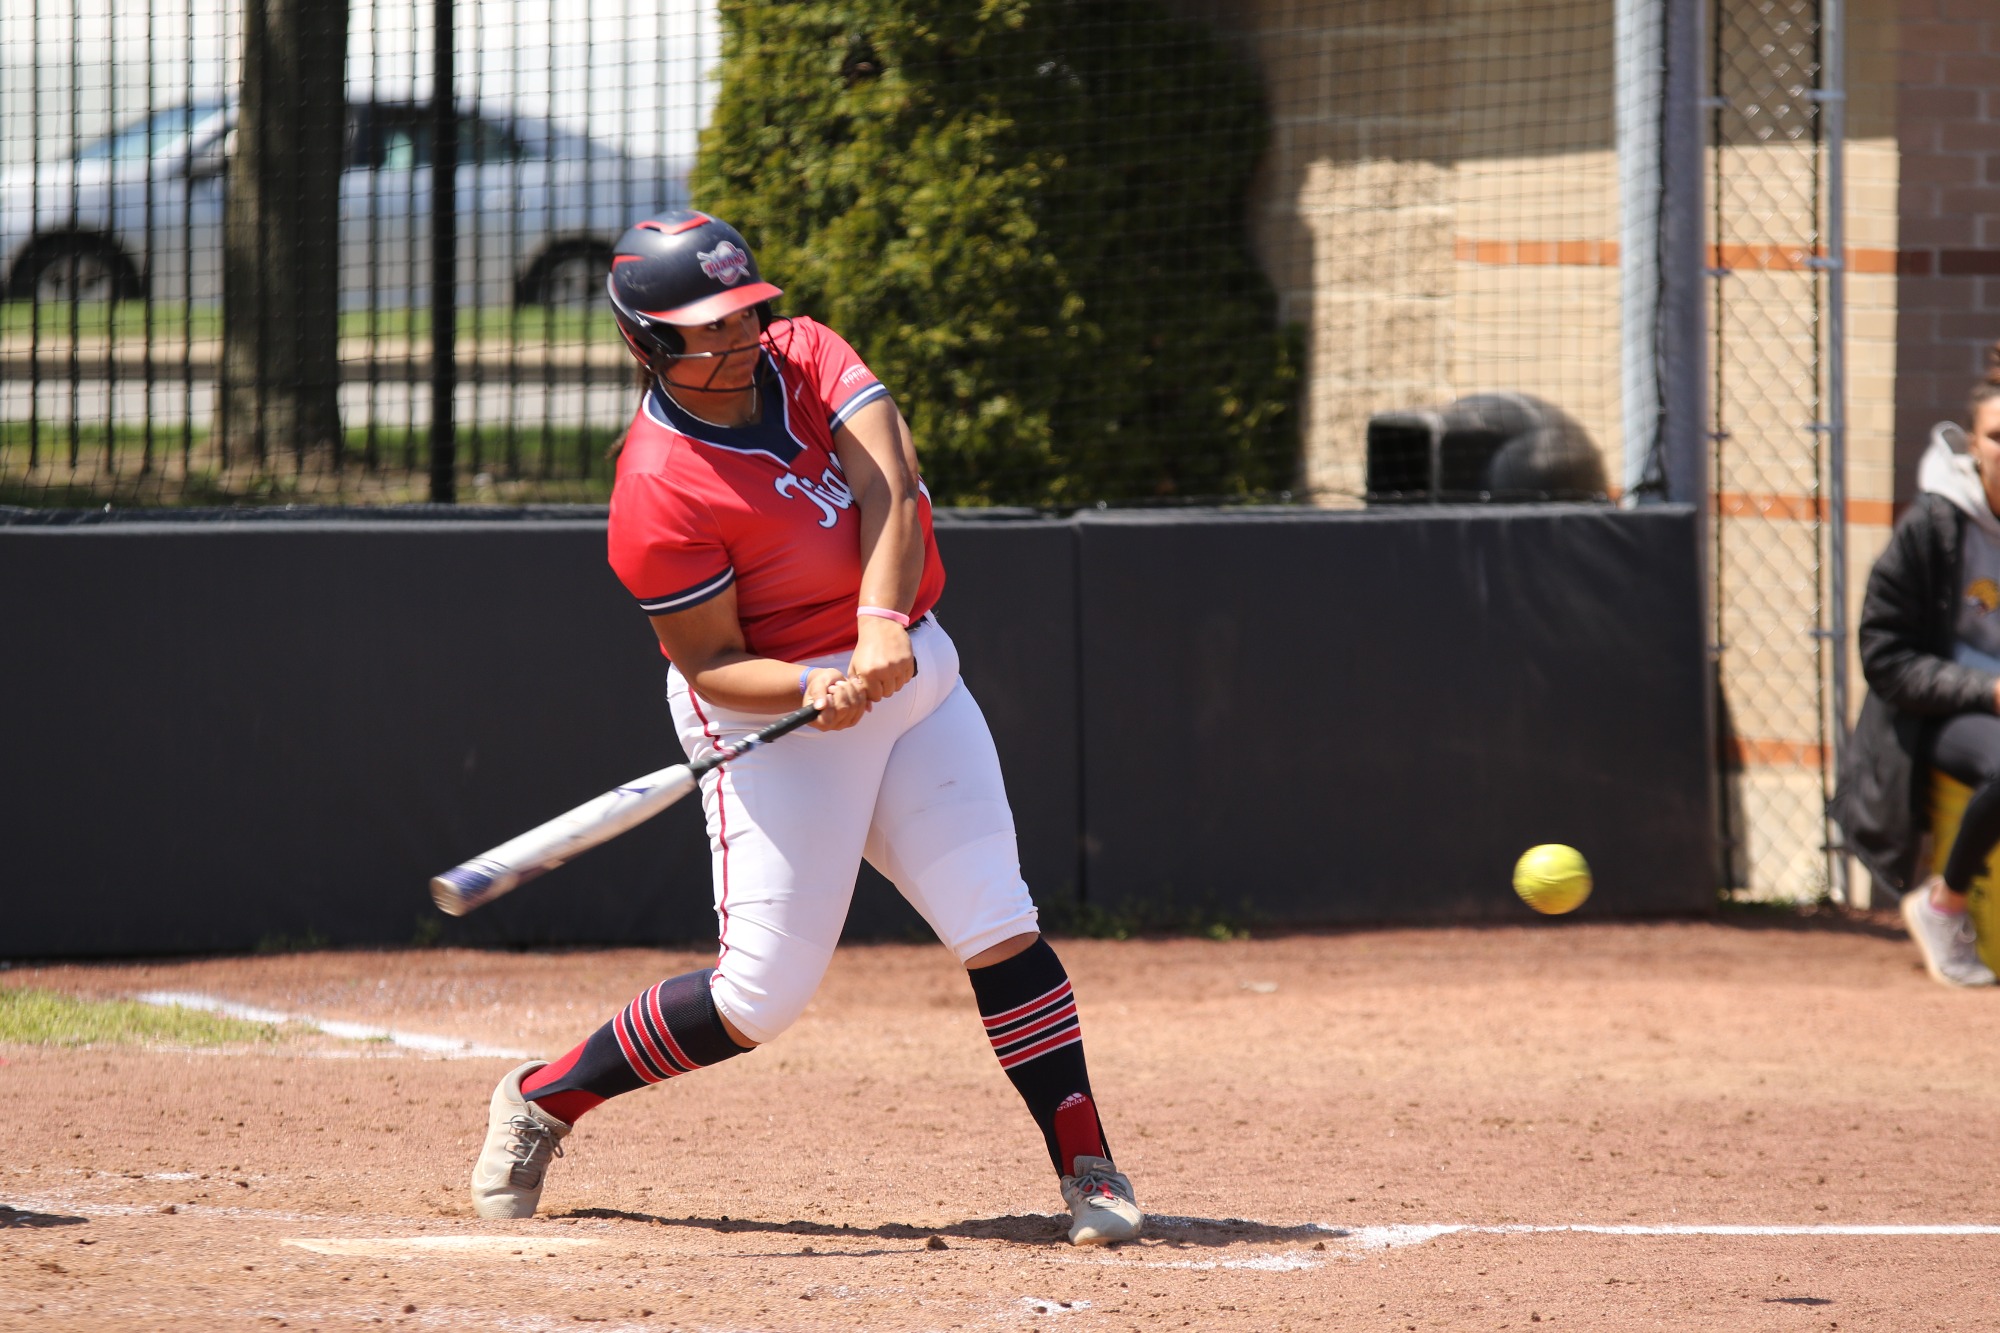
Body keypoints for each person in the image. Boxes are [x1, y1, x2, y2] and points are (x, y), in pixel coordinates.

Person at [466, 210, 1144, 1244]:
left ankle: (1086, 1161)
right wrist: (806, 686)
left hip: (910, 674)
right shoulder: (656, 488)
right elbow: (708, 663)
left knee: (996, 919)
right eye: (708, 328)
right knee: (756, 1000)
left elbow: (890, 483)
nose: (740, 337)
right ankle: (544, 1096)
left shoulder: (803, 353)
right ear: (647, 344)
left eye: (745, 312)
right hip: (779, 714)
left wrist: (877, 626)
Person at [1835, 341, 2000, 987]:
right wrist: (1986, 690)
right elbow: (1886, 655)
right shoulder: (1934, 525)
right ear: (1973, 445)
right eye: (1996, 435)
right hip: (1939, 707)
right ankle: (1945, 903)